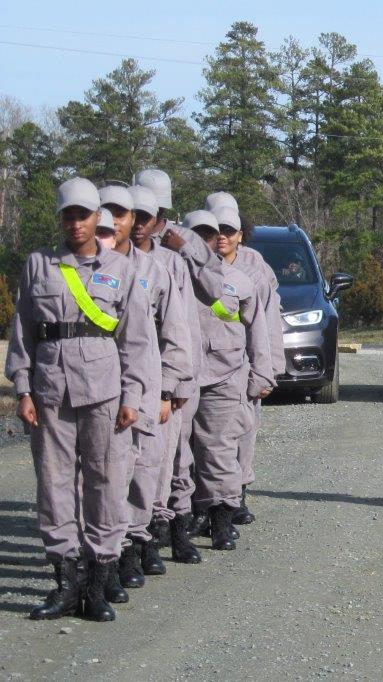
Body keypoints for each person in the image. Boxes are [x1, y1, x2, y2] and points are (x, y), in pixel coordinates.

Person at [7, 177, 151, 621]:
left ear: (97, 219)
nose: (75, 223)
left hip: (106, 391)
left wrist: (134, 394)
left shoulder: (123, 270)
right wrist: (23, 387)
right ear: (61, 218)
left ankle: (97, 582)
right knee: (53, 484)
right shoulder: (39, 265)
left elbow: (138, 341)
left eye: (83, 215)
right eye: (68, 215)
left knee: (106, 481)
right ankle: (65, 582)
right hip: (50, 390)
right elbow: (23, 331)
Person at [98, 185, 191, 598]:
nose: (117, 221)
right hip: (97, 380)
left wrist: (169, 388)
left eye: (124, 214)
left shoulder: (156, 270)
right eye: (110, 212)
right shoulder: (79, 268)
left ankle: (135, 545)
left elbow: (174, 332)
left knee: (146, 466)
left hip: (148, 377)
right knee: (100, 470)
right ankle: (102, 552)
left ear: (137, 220)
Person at [131, 169, 226, 558]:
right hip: (136, 368)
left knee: (178, 453)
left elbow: (216, 289)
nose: (141, 224)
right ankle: (143, 538)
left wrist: (182, 381)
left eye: (147, 216)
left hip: (181, 365)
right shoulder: (122, 249)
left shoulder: (180, 246)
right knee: (139, 459)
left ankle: (177, 526)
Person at [185, 210, 273, 550]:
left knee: (218, 450)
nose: (211, 240)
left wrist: (262, 374)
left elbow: (260, 331)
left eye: (217, 233)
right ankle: (178, 523)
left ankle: (221, 520)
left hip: (224, 374)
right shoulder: (172, 274)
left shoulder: (241, 279)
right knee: (177, 455)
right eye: (202, 234)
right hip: (177, 376)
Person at [207, 193, 284, 526]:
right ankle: (205, 502)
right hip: (202, 365)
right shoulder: (190, 261)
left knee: (241, 432)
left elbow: (268, 321)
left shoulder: (255, 266)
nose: (221, 236)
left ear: (241, 232)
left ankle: (236, 496)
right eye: (215, 228)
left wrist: (267, 371)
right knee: (204, 441)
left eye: (229, 228)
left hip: (243, 365)